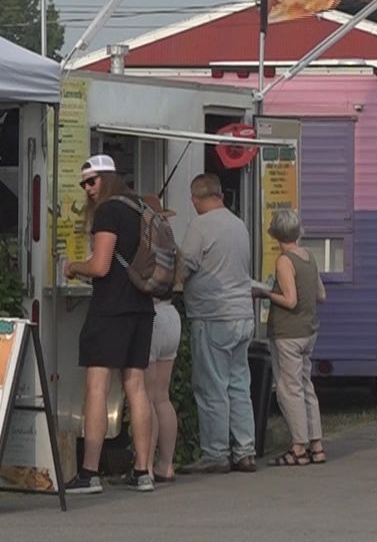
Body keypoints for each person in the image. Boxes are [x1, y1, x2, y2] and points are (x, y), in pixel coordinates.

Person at [61, 155, 156, 494]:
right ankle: (143, 470)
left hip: (110, 309)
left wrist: (73, 266)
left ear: (107, 178)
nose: (88, 189)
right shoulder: (139, 208)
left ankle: (89, 472)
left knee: (97, 388)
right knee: (137, 388)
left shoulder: (108, 212)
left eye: (92, 181)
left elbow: (101, 266)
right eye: (84, 183)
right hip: (142, 307)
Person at [177, 173, 259, 474]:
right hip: (242, 314)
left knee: (211, 385)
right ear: (220, 195)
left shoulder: (200, 225)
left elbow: (185, 265)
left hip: (213, 315)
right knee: (239, 384)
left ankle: (216, 452)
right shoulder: (238, 224)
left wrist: (171, 283)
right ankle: (245, 450)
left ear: (197, 198)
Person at [257, 209, 326, 468]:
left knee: (289, 389)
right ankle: (316, 445)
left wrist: (264, 293)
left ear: (275, 233)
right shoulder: (309, 257)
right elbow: (321, 294)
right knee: (306, 386)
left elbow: (289, 299)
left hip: (288, 333)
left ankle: (298, 447)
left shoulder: (284, 260)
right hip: (309, 330)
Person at [141, 196, 180, 485]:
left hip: (150, 316)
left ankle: (147, 467)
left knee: (147, 398)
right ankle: (167, 464)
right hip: (171, 315)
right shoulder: (170, 242)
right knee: (163, 397)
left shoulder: (144, 244)